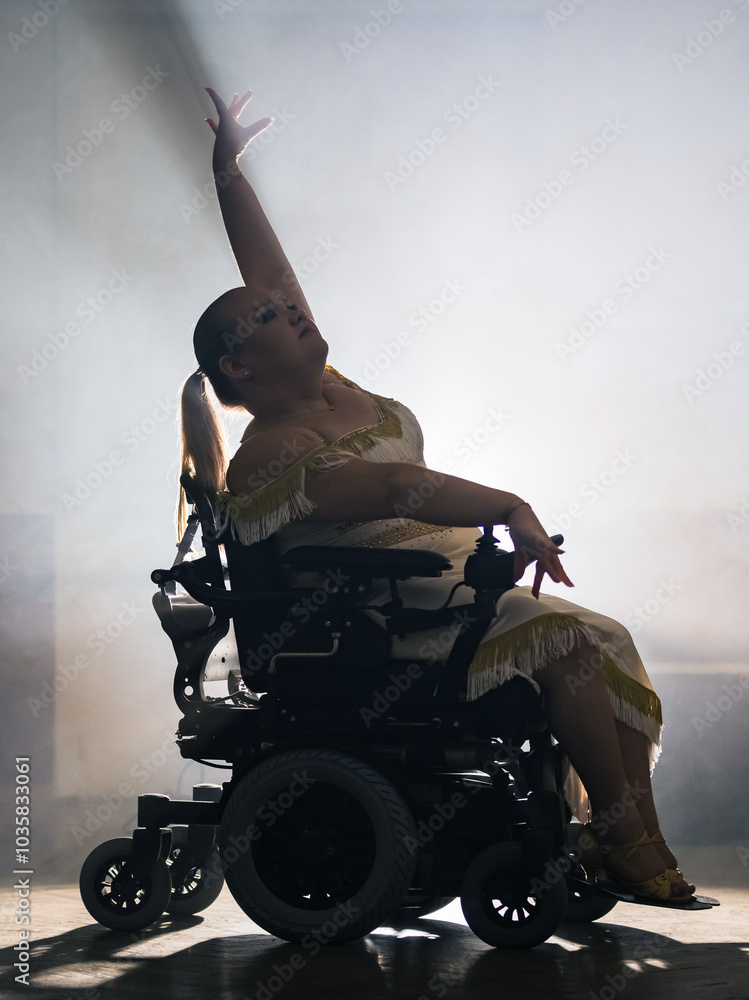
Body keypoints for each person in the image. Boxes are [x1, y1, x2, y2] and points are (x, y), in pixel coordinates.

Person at [177, 88, 697, 904]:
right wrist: (506, 503)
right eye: (271, 319)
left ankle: (624, 837)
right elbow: (390, 484)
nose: (292, 311)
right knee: (564, 643)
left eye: (287, 308)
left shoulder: (329, 388)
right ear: (240, 367)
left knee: (601, 635)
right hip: (383, 613)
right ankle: (629, 842)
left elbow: (268, 269)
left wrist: (228, 172)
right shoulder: (271, 450)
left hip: (440, 585)